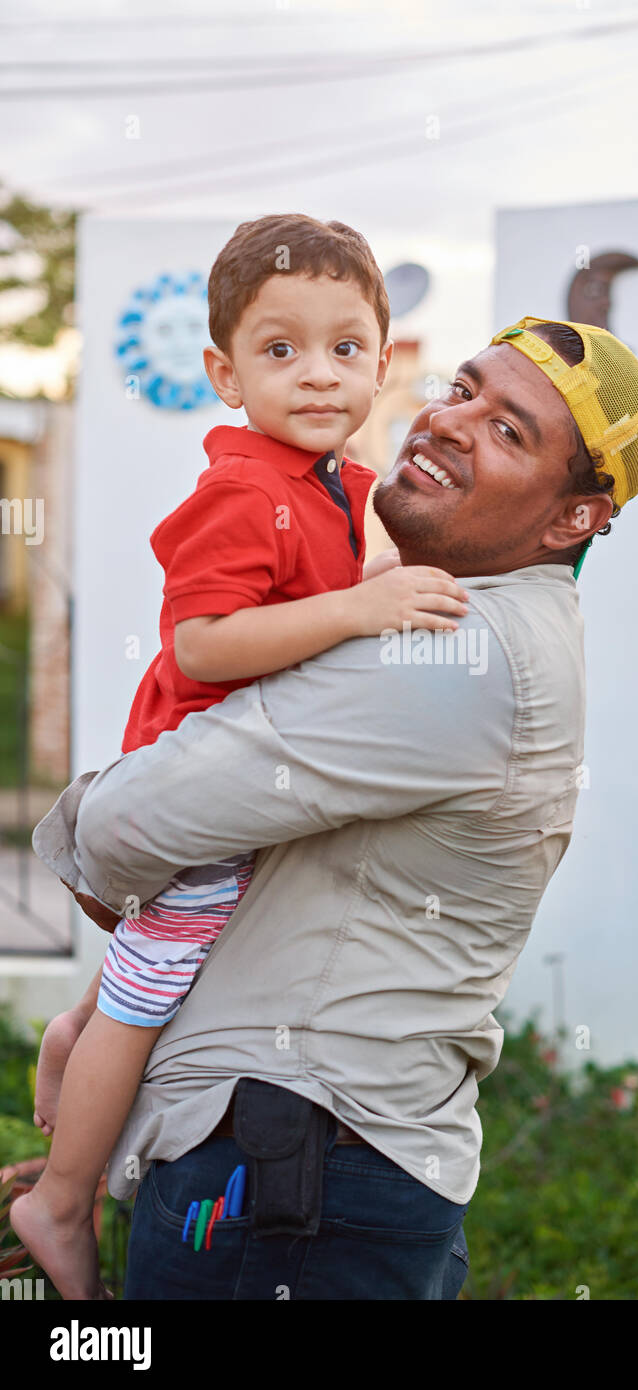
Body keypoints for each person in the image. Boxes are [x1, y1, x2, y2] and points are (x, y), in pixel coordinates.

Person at [30, 313, 638, 1300]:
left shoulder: (458, 647)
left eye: (510, 432)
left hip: (289, 1188)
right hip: (309, 1176)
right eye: (462, 391)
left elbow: (129, 826)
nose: (450, 424)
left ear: (571, 519)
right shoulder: (459, 610)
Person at [10, 211, 469, 1301]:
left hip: (262, 781)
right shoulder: (241, 492)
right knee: (164, 970)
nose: (319, 375)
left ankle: (79, 1029)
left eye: (346, 348)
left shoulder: (342, 483)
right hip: (201, 780)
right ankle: (62, 1201)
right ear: (223, 372)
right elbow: (202, 642)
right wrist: (363, 611)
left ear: (382, 360)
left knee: (192, 964)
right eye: (280, 350)